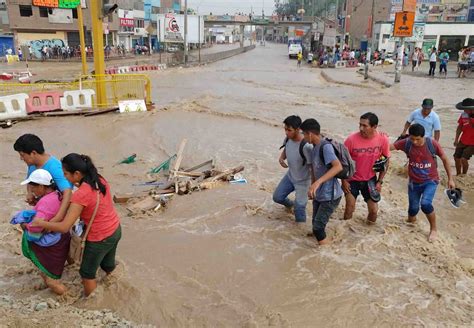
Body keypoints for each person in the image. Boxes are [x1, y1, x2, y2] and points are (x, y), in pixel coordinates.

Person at [32, 154, 121, 296]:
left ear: (77, 174)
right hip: (115, 230)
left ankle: (92, 307)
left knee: (86, 273)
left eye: (66, 174)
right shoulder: (99, 180)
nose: (64, 177)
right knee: (107, 264)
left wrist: (41, 223)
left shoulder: (81, 195)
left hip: (99, 238)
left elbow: (64, 227)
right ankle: (118, 288)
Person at [391, 124, 455, 242]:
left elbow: (445, 159)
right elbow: (389, 147)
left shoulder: (432, 144)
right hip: (413, 182)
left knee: (425, 204)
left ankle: (433, 229)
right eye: (412, 138)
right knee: (413, 210)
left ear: (423, 136)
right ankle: (410, 226)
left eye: (418, 139)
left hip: (430, 181)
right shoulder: (406, 143)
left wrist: (450, 179)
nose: (414, 142)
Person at [13, 169, 70, 295]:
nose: (31, 190)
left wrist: (23, 224)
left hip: (51, 245)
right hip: (61, 238)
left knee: (51, 281)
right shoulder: (57, 194)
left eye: (33, 187)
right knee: (44, 272)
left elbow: (36, 227)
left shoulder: (45, 203)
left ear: (42, 186)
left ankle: (69, 298)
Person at [300, 119, 343, 245]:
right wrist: (312, 187)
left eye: (304, 134)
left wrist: (317, 183)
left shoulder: (326, 147)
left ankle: (327, 254)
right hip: (320, 194)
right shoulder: (314, 148)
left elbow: (338, 167)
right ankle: (320, 248)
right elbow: (314, 169)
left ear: (310, 134)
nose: (303, 137)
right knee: (315, 225)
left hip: (331, 196)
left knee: (318, 228)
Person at [343, 113, 390, 224]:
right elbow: (342, 162)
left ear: (374, 127)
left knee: (374, 211)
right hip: (352, 179)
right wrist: (343, 181)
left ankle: (368, 233)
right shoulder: (351, 140)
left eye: (365, 126)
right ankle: (344, 234)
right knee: (350, 208)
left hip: (370, 179)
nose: (361, 128)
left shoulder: (383, 140)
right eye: (360, 125)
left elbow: (386, 161)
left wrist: (379, 181)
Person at [14, 134, 72, 222]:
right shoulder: (32, 164)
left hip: (57, 211)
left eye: (22, 155)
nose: (21, 158)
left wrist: (57, 218)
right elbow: (30, 180)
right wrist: (30, 194)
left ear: (33, 153)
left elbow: (68, 194)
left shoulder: (55, 168)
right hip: (44, 208)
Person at [273, 116, 313, 225]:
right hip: (290, 176)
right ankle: (290, 205)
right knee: (277, 197)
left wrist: (313, 185)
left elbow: (312, 166)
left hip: (304, 181)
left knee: (299, 208)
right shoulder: (287, 139)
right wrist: (281, 158)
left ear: (298, 129)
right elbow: (286, 148)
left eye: (289, 130)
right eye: (285, 129)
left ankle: (299, 233)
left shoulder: (306, 146)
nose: (286, 132)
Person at [453, 98, 474, 175]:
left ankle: (464, 175)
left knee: (463, 159)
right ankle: (458, 174)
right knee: (456, 157)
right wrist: (456, 139)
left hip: (473, 143)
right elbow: (459, 127)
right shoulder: (463, 115)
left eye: (466, 109)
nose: (464, 110)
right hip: (463, 140)